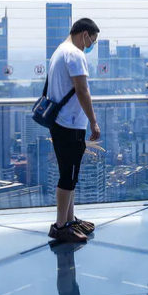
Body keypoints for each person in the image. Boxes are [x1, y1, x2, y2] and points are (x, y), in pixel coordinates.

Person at [47, 18, 101, 244]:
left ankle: (69, 220)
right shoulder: (75, 54)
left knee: (71, 175)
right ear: (85, 34)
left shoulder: (60, 51)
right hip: (69, 124)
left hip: (63, 123)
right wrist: (93, 121)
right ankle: (60, 227)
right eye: (92, 40)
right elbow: (82, 89)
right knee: (67, 176)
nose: (91, 46)